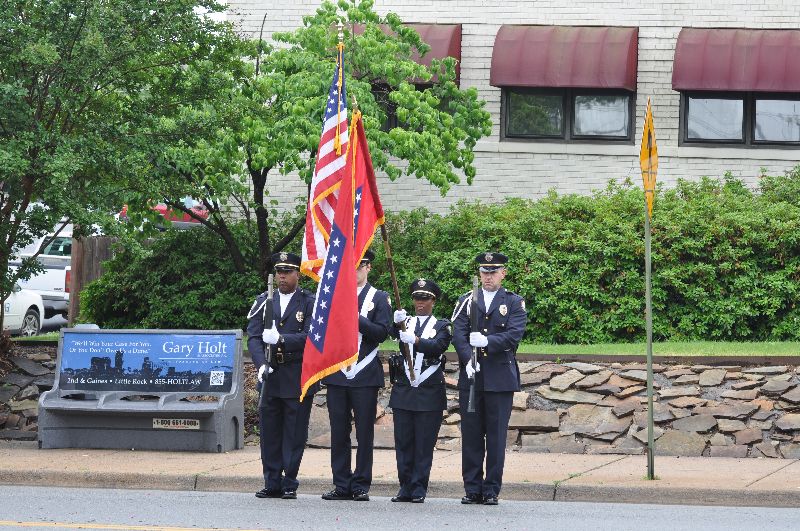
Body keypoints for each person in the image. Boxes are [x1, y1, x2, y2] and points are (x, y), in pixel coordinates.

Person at [451, 252, 527, 506]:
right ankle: (472, 488)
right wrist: (467, 359)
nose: (488, 277)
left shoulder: (514, 302)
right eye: (484, 272)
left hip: (499, 377)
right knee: (471, 435)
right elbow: (458, 333)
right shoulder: (467, 300)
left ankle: (491, 489)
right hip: (472, 377)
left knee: (495, 436)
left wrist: (488, 342)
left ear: (503, 273)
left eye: (493, 272)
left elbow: (514, 335)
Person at [321, 249, 392, 502]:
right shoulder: (333, 296)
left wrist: (356, 318)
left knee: (364, 433)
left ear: (368, 267)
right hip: (338, 374)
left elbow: (382, 332)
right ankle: (341, 484)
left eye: (360, 265)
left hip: (364, 372)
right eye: (350, 265)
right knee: (339, 432)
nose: (355, 270)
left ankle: (361, 484)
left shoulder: (379, 298)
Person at [247, 252, 316, 500]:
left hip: (297, 374)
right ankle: (271, 481)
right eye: (279, 272)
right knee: (270, 432)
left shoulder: (309, 302)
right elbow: (253, 337)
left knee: (294, 433)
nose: (282, 277)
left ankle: (289, 482)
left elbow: (313, 338)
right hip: (271, 375)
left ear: (298, 274)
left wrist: (283, 339)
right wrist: (260, 365)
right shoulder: (264, 300)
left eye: (287, 272)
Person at [388, 278, 452, 504]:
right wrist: (395, 323)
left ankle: (418, 488)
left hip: (428, 392)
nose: (420, 303)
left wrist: (414, 339)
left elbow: (438, 346)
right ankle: (405, 486)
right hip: (405, 391)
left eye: (425, 298)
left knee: (424, 444)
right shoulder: (405, 321)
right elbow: (388, 332)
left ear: (433, 300)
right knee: (403, 443)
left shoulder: (442, 326)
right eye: (417, 298)